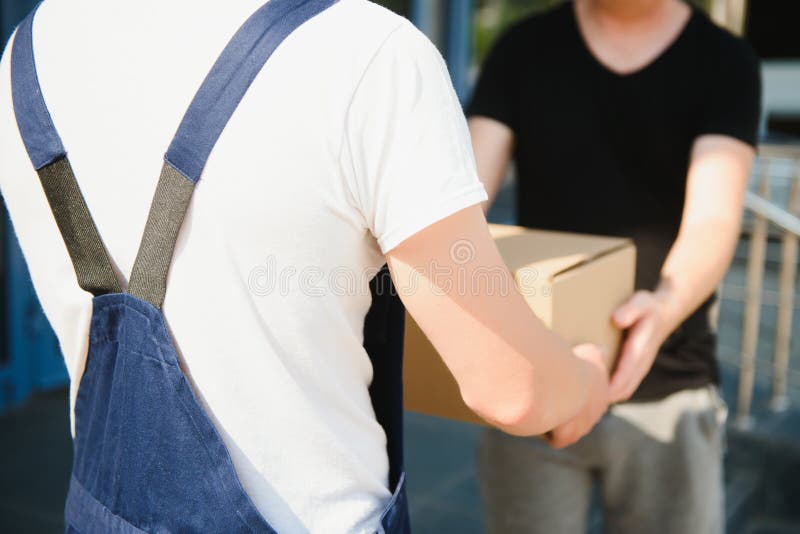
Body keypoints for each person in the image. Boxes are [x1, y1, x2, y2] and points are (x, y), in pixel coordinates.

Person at [0, 0, 612, 532]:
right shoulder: (368, 55)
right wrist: (587, 379)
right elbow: (514, 389)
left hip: (103, 513)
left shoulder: (26, 49)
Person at [468, 0, 760, 532]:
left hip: (670, 382)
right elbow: (463, 202)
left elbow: (714, 218)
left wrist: (664, 307)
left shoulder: (724, 61)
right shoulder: (523, 49)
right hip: (540, 374)